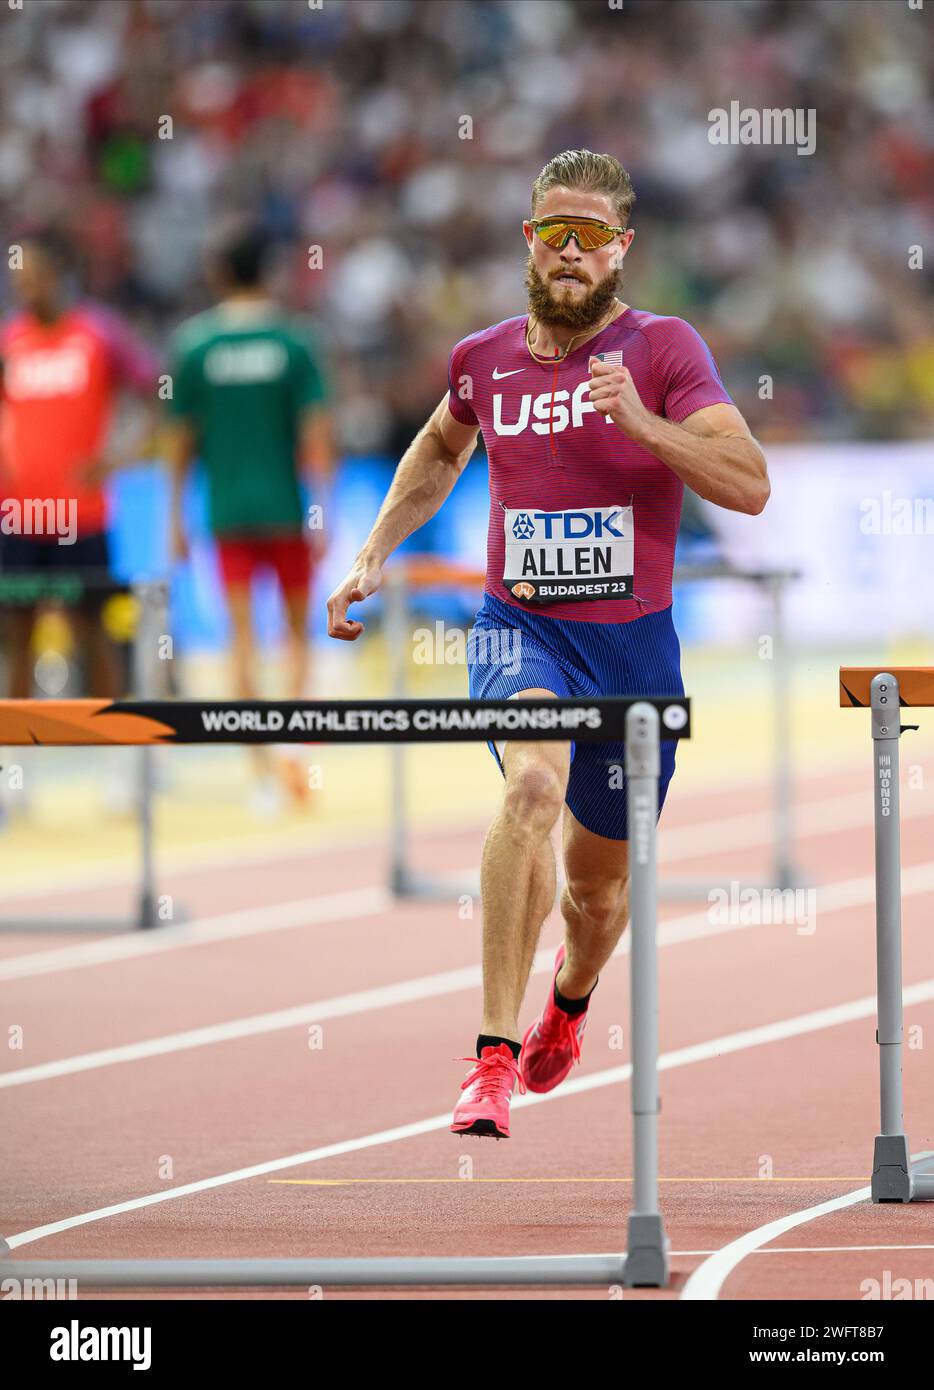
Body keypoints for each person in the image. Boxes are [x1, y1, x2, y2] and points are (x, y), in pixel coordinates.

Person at [327, 149, 769, 1138]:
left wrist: (644, 425)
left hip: (633, 653)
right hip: (518, 634)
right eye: (553, 233)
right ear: (528, 241)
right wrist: (371, 553)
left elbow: (747, 483)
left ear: (621, 251)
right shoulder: (482, 359)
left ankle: (567, 1001)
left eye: (591, 237)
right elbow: (442, 446)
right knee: (528, 790)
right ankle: (486, 1060)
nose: (571, 253)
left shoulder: (662, 349)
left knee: (596, 893)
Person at [164, 224, 334, 815]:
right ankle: (296, 756)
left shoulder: (195, 345)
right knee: (296, 639)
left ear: (220, 273)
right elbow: (315, 436)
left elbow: (180, 440)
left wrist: (174, 519)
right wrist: (324, 511)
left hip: (227, 512)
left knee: (239, 642)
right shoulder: (294, 341)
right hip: (286, 510)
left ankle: (262, 772)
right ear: (268, 269)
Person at [0, 228, 160, 705]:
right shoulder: (10, 341)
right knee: (17, 634)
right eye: (18, 278)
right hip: (19, 515)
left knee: (93, 631)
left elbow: (155, 395)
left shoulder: (98, 333)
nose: (26, 287)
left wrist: (120, 458)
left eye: (34, 277)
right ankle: (15, 762)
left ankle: (116, 755)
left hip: (81, 514)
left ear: (59, 274)